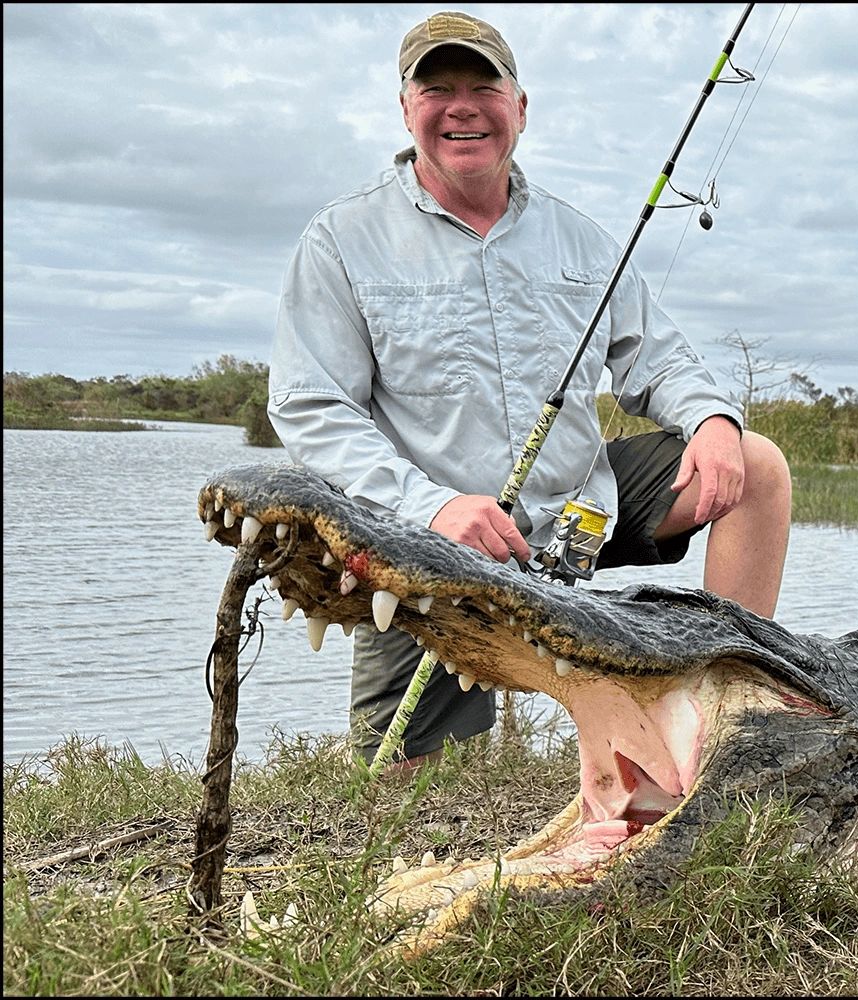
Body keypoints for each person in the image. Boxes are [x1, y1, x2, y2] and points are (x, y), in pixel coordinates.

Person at [268, 10, 791, 770]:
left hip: (581, 514)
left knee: (757, 465)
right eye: (437, 87)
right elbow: (311, 408)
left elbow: (663, 361)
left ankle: (728, 714)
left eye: (485, 84)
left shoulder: (579, 238)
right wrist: (434, 508)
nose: (463, 105)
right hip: (432, 549)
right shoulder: (342, 238)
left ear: (520, 107)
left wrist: (711, 418)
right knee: (398, 783)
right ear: (406, 107)